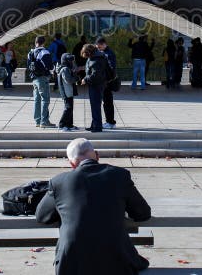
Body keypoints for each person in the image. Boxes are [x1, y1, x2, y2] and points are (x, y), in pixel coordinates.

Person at [35, 138, 151, 275]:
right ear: (97, 155)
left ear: (72, 164)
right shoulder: (120, 176)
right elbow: (143, 213)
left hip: (71, 266)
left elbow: (42, 216)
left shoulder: (59, 182)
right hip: (117, 264)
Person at [27, 36, 55, 127]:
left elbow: (28, 66)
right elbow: (50, 66)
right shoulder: (44, 52)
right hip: (42, 78)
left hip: (34, 79)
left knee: (37, 100)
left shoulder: (30, 53)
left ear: (36, 42)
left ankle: (38, 121)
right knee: (45, 99)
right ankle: (44, 121)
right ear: (43, 43)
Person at [80, 43, 107, 132]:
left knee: (95, 106)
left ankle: (97, 127)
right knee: (95, 106)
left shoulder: (96, 60)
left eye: (87, 55)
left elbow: (95, 75)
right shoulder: (95, 57)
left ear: (90, 52)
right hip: (96, 84)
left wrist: (85, 79)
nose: (87, 57)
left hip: (96, 85)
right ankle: (94, 124)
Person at [95, 37, 116, 130]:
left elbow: (111, 68)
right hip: (106, 81)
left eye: (99, 47)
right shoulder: (106, 53)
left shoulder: (108, 54)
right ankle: (109, 121)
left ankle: (110, 122)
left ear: (104, 44)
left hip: (106, 82)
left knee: (108, 102)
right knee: (107, 102)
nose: (98, 49)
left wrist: (106, 79)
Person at [57, 53, 79, 131]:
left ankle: (69, 124)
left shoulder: (67, 68)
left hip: (69, 91)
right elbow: (68, 80)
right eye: (70, 60)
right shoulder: (65, 69)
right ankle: (62, 124)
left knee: (70, 108)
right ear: (65, 60)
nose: (71, 61)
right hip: (67, 92)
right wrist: (76, 78)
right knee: (68, 108)